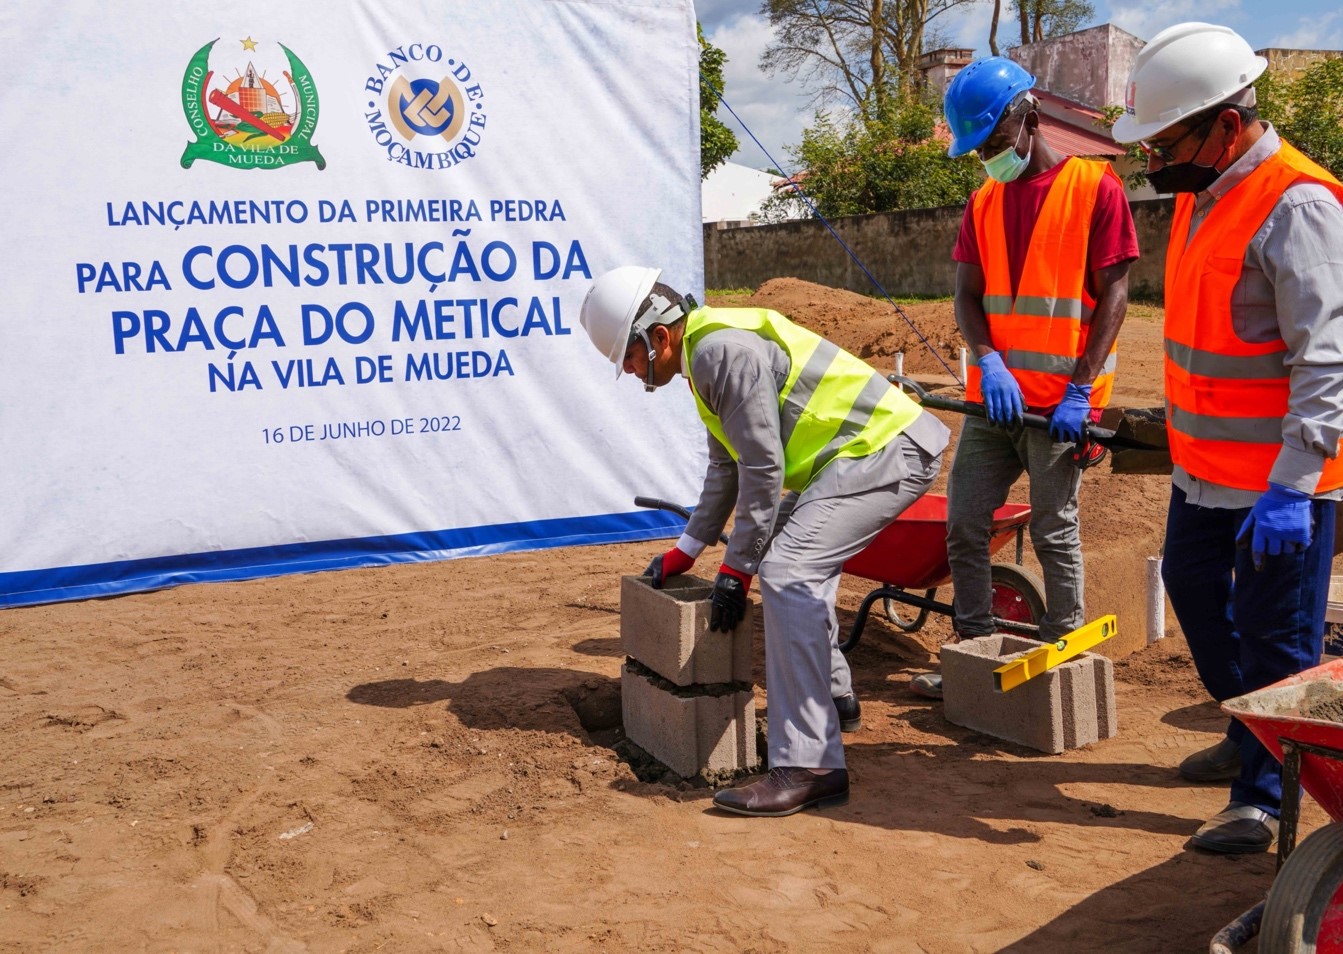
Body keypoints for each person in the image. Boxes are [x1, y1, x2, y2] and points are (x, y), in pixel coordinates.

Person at [579, 267, 949, 816]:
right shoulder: (704, 354)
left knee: (789, 571)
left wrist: (737, 571)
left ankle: (809, 765)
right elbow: (726, 467)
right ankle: (835, 697)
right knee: (791, 560)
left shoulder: (719, 354)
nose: (631, 371)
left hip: (884, 450)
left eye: (630, 357)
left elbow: (762, 468)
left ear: (658, 336)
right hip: (854, 458)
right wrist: (687, 550)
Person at [1111, 22, 1343, 854]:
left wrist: (1292, 486)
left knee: (1278, 638)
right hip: (1204, 470)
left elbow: (1327, 358)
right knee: (1195, 590)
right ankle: (1249, 731)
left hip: (1281, 483)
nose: (1154, 161)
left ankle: (1262, 797)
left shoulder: (1298, 205)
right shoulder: (1201, 193)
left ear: (1226, 124)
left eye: (1165, 142)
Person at [909, 56, 1138, 700]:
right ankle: (974, 652)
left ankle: (1063, 660)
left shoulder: (1095, 188)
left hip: (1060, 408)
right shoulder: (983, 202)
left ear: (1028, 119)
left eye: (994, 141)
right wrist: (987, 361)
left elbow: (1116, 295)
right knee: (964, 524)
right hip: (996, 404)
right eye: (978, 149)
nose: (988, 157)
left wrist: (1080, 389)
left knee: (1052, 530)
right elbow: (967, 296)